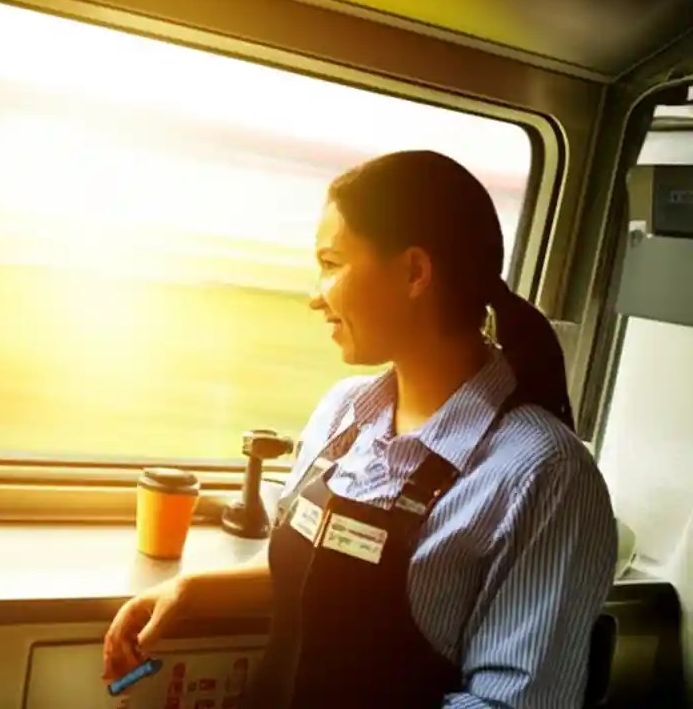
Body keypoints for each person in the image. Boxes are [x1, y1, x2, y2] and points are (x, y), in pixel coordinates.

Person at [102, 151, 616, 707]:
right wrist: (192, 591)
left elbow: (515, 703)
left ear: (414, 272)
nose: (314, 295)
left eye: (331, 263)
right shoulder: (344, 413)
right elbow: (324, 571)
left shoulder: (544, 476)